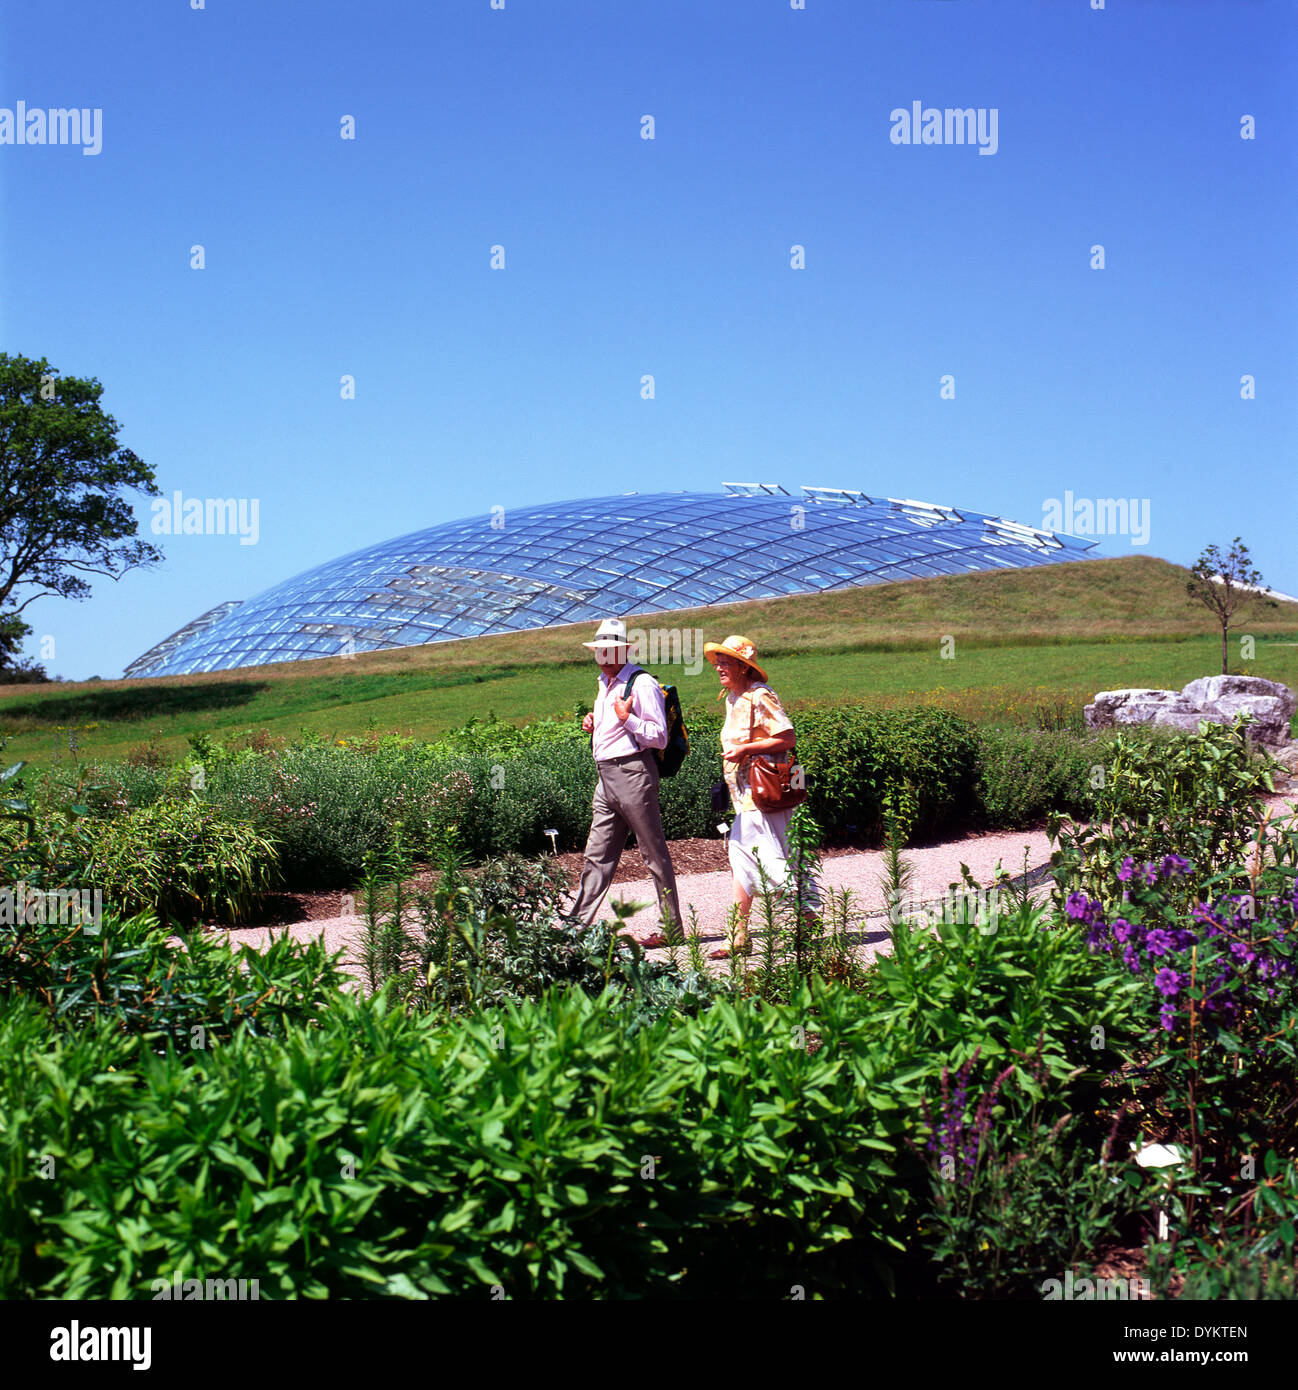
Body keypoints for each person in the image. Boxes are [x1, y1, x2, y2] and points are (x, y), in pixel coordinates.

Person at [567, 618, 683, 946]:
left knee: (653, 852)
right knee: (597, 854)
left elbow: (658, 737)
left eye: (608, 649)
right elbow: (614, 728)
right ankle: (576, 929)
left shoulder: (641, 683)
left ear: (622, 650)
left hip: (633, 774)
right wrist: (596, 723)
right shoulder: (605, 683)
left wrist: (626, 718)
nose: (602, 655)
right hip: (606, 777)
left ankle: (671, 930)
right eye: (599, 650)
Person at [704, 634, 818, 958]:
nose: (719, 668)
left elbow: (787, 737)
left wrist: (746, 749)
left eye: (725, 663)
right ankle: (740, 934)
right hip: (743, 795)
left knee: (768, 859)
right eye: (717, 663)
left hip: (763, 793)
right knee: (742, 858)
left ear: (743, 666)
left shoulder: (760, 696)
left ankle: (806, 917)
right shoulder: (732, 699)